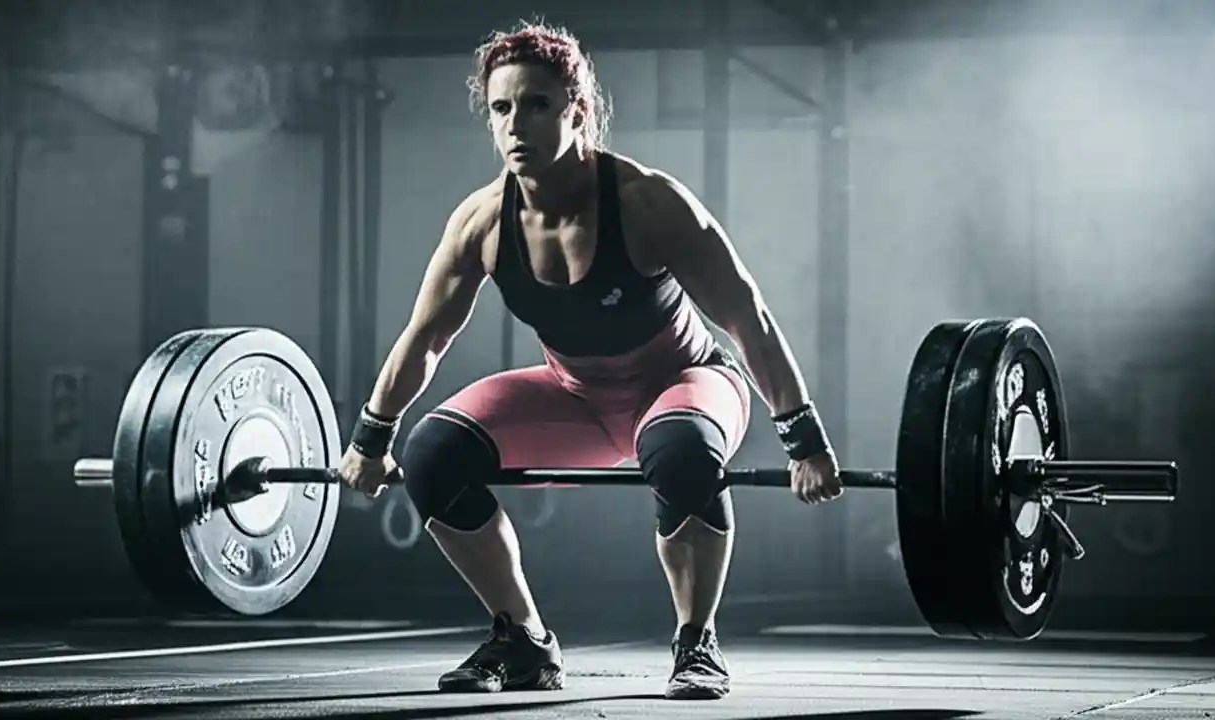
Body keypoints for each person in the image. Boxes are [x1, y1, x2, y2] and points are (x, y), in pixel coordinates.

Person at [336, 20, 842, 700]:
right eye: (502, 108)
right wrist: (373, 440)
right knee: (431, 456)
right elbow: (425, 338)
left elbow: (745, 319)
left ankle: (696, 642)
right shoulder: (483, 222)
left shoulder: (646, 203)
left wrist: (803, 442)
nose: (518, 124)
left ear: (576, 110)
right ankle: (523, 640)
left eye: (537, 105)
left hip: (685, 382)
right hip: (574, 396)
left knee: (684, 452)